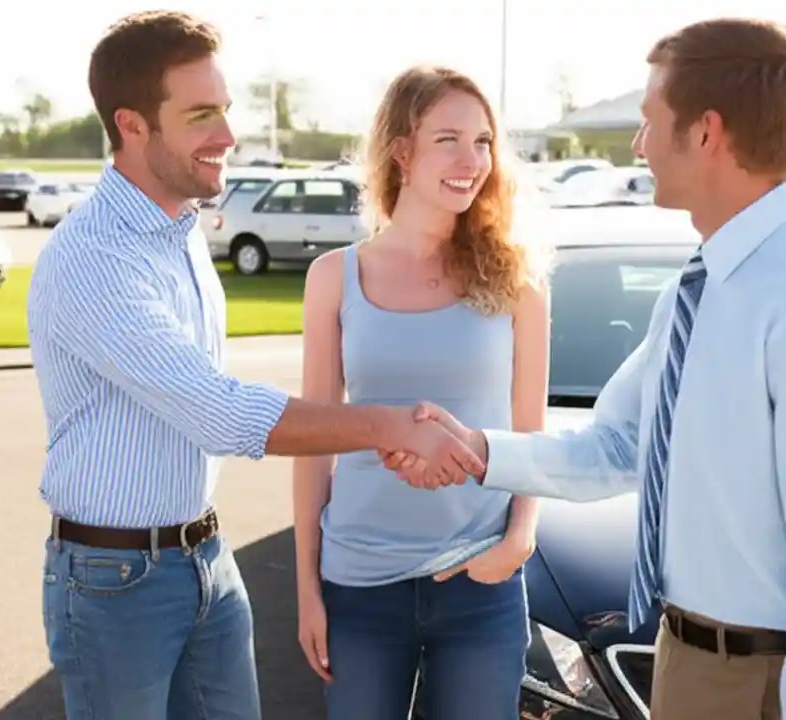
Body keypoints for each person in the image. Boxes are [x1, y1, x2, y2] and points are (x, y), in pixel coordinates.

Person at [385, 17, 786, 720]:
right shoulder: (698, 289)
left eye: (649, 121)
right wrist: (475, 449)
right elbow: (615, 447)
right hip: (684, 660)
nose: (638, 145)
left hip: (766, 684)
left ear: (705, 133)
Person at [26, 12, 482, 720]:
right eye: (201, 114)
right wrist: (393, 425)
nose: (229, 136)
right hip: (114, 584)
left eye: (226, 110)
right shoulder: (94, 259)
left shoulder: (178, 233)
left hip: (203, 557)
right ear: (133, 124)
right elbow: (218, 411)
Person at [292, 65, 549, 720]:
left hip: (480, 581)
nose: (473, 161)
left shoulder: (519, 282)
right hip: (358, 586)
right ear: (401, 150)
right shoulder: (333, 278)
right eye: (449, 140)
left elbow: (530, 438)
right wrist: (307, 590)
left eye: (484, 141)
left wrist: (519, 542)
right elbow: (312, 443)